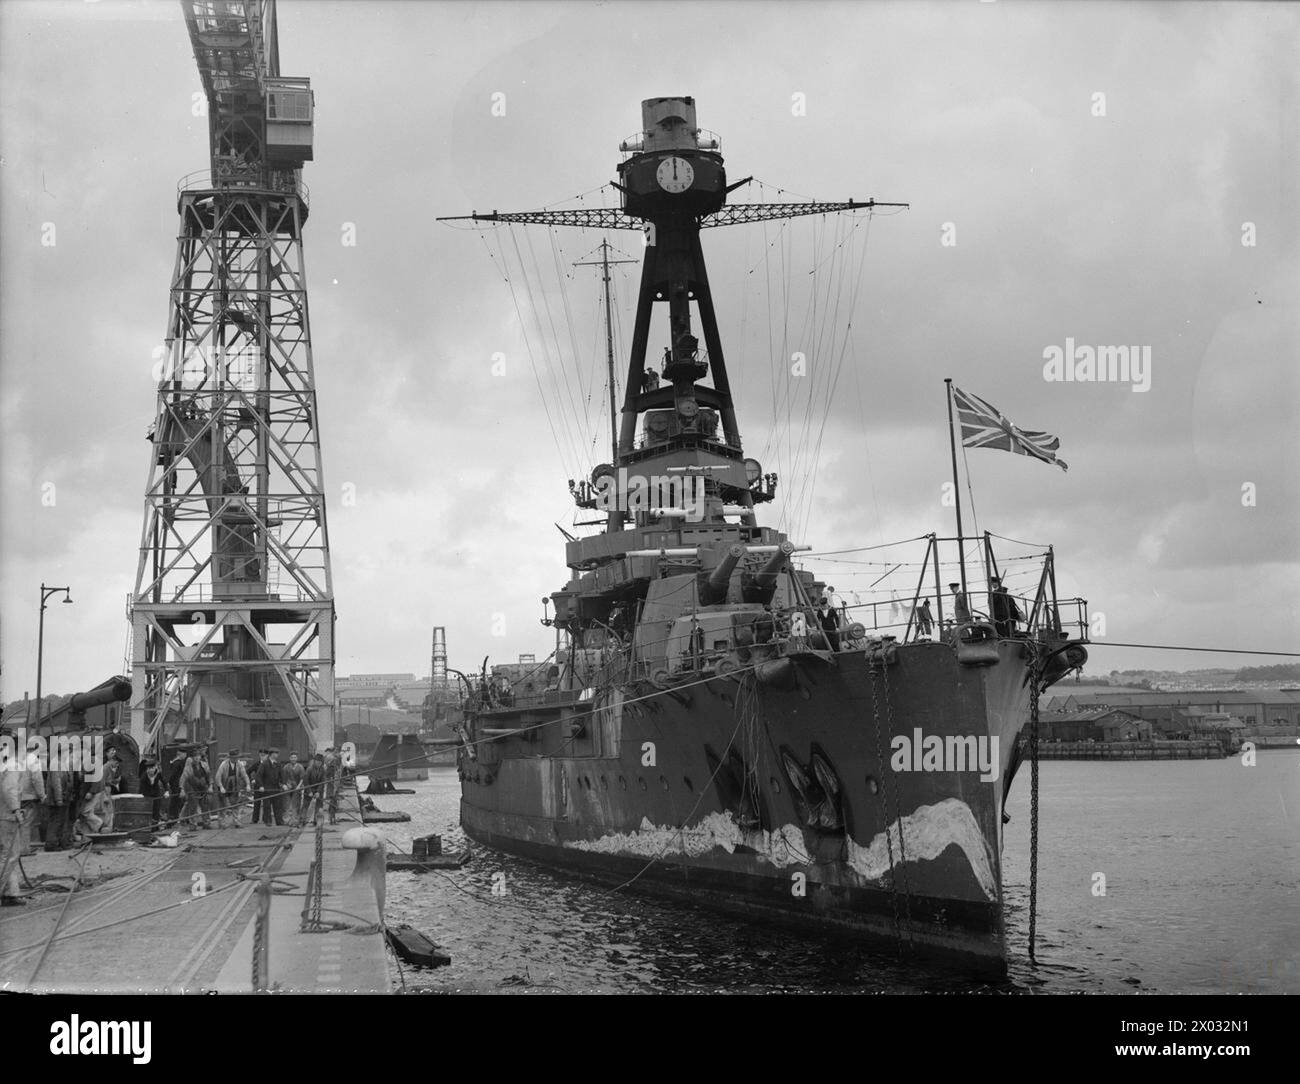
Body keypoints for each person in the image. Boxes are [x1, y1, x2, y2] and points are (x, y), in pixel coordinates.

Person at [1, 740, 28, 905]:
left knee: (7, 855)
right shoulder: (12, 766)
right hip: (7, 816)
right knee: (10, 856)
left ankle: (10, 893)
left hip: (4, 814)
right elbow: (9, 789)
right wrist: (16, 810)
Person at [19, 739, 47, 856]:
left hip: (18, 796)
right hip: (30, 797)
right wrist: (42, 795)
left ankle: (20, 848)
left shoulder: (20, 758)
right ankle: (24, 849)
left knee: (20, 823)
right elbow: (37, 779)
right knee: (26, 824)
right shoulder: (34, 760)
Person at [213, 749, 249, 829]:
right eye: (234, 757)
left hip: (234, 787)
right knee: (223, 806)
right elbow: (218, 777)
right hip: (224, 787)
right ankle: (222, 823)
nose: (236, 759)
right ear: (230, 757)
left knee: (236, 805)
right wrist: (221, 787)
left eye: (237, 757)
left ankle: (236, 821)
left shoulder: (239, 764)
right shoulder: (224, 764)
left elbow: (244, 775)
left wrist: (248, 785)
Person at [179, 747, 212, 830]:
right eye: (195, 756)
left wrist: (210, 786)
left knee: (205, 807)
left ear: (200, 757)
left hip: (204, 788)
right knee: (192, 807)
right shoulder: (188, 768)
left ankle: (206, 823)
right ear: (192, 758)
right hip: (193, 789)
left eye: (198, 756)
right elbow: (183, 778)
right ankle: (192, 824)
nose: (197, 758)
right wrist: (182, 789)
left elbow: (209, 776)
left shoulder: (205, 765)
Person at [41, 760, 70, 852]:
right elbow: (56, 783)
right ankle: (51, 844)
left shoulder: (62, 764)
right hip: (55, 800)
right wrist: (59, 799)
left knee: (59, 821)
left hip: (61, 798)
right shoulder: (56, 764)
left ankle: (57, 842)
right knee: (55, 822)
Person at [258, 749, 284, 826]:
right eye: (276, 753)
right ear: (271, 754)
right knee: (267, 806)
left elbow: (282, 775)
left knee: (277, 806)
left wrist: (283, 784)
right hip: (267, 788)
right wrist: (261, 786)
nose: (277, 755)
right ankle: (268, 821)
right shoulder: (264, 764)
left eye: (277, 753)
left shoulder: (278, 764)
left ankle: (279, 821)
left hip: (276, 788)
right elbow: (258, 776)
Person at [138, 757, 166, 829]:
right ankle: (149, 827)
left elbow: (164, 782)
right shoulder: (144, 777)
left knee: (156, 810)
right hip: (147, 795)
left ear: (154, 768)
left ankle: (155, 827)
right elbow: (141, 789)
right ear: (147, 769)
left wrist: (167, 791)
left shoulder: (158, 774)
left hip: (156, 794)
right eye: (149, 769)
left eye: (152, 768)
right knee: (149, 811)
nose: (151, 770)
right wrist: (141, 797)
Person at [281, 751, 305, 826]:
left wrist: (298, 787)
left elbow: (302, 778)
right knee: (286, 804)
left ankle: (295, 820)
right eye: (292, 757)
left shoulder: (300, 767)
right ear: (289, 758)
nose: (293, 759)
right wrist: (286, 785)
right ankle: (286, 820)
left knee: (296, 805)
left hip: (297, 788)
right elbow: (283, 777)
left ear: (297, 758)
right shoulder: (286, 767)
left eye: (295, 757)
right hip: (288, 788)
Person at [302, 753, 327, 826]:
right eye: (317, 761)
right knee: (305, 805)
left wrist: (318, 792)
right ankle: (302, 820)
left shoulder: (323, 770)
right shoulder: (309, 769)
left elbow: (322, 782)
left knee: (319, 806)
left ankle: (316, 821)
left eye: (320, 762)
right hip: (309, 788)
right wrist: (309, 791)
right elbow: (305, 781)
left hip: (318, 790)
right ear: (314, 761)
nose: (318, 763)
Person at [165, 749, 188, 825]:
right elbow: (173, 775)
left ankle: (174, 818)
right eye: (185, 754)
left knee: (176, 802)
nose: (185, 756)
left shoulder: (175, 762)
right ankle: (173, 819)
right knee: (176, 802)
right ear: (181, 754)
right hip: (177, 786)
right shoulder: (178, 763)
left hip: (176, 785)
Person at [250, 749, 270, 824]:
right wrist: (252, 779)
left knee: (266, 804)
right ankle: (255, 819)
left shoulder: (269, 764)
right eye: (261, 755)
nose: (262, 757)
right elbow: (247, 771)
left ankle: (266, 819)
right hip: (257, 786)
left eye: (264, 755)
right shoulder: (256, 764)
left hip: (266, 786)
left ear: (267, 756)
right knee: (256, 803)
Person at [322, 747, 340, 825]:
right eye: (336, 751)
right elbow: (332, 769)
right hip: (332, 778)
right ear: (333, 751)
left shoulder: (328, 757)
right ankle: (331, 815)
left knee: (330, 792)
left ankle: (331, 814)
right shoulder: (332, 758)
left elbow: (327, 768)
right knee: (333, 794)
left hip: (330, 777)